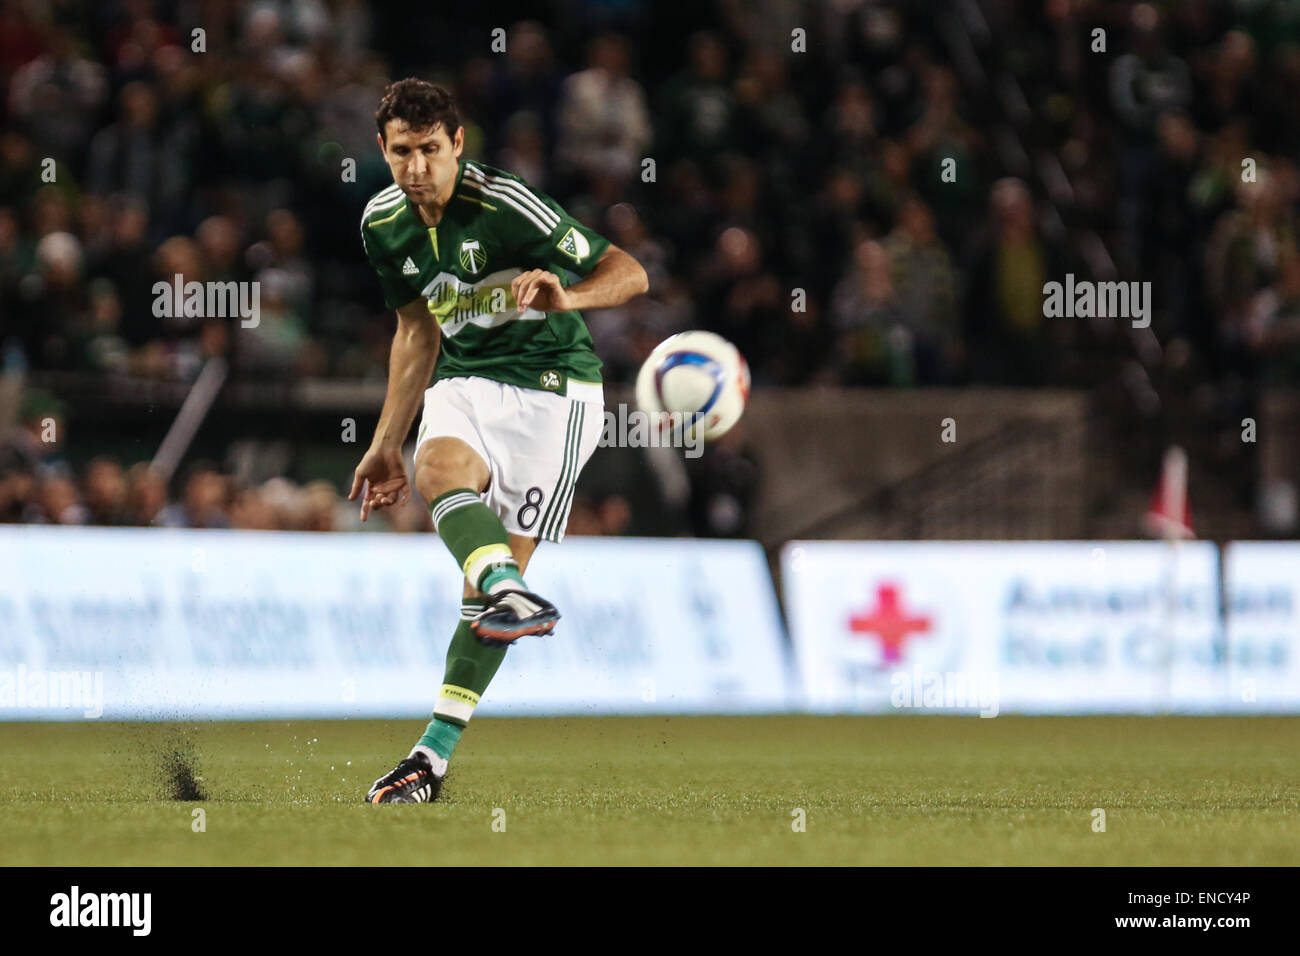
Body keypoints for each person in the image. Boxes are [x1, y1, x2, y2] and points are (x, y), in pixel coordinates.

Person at [350, 79, 647, 803]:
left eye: (428, 150)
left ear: (456, 144)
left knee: (478, 604)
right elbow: (417, 331)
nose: (415, 167)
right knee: (436, 468)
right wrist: (387, 440)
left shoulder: (505, 205)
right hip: (466, 378)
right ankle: (510, 592)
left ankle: (432, 757)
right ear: (381, 152)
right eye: (400, 152)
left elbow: (628, 274)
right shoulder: (382, 223)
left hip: (555, 390)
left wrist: (567, 294)